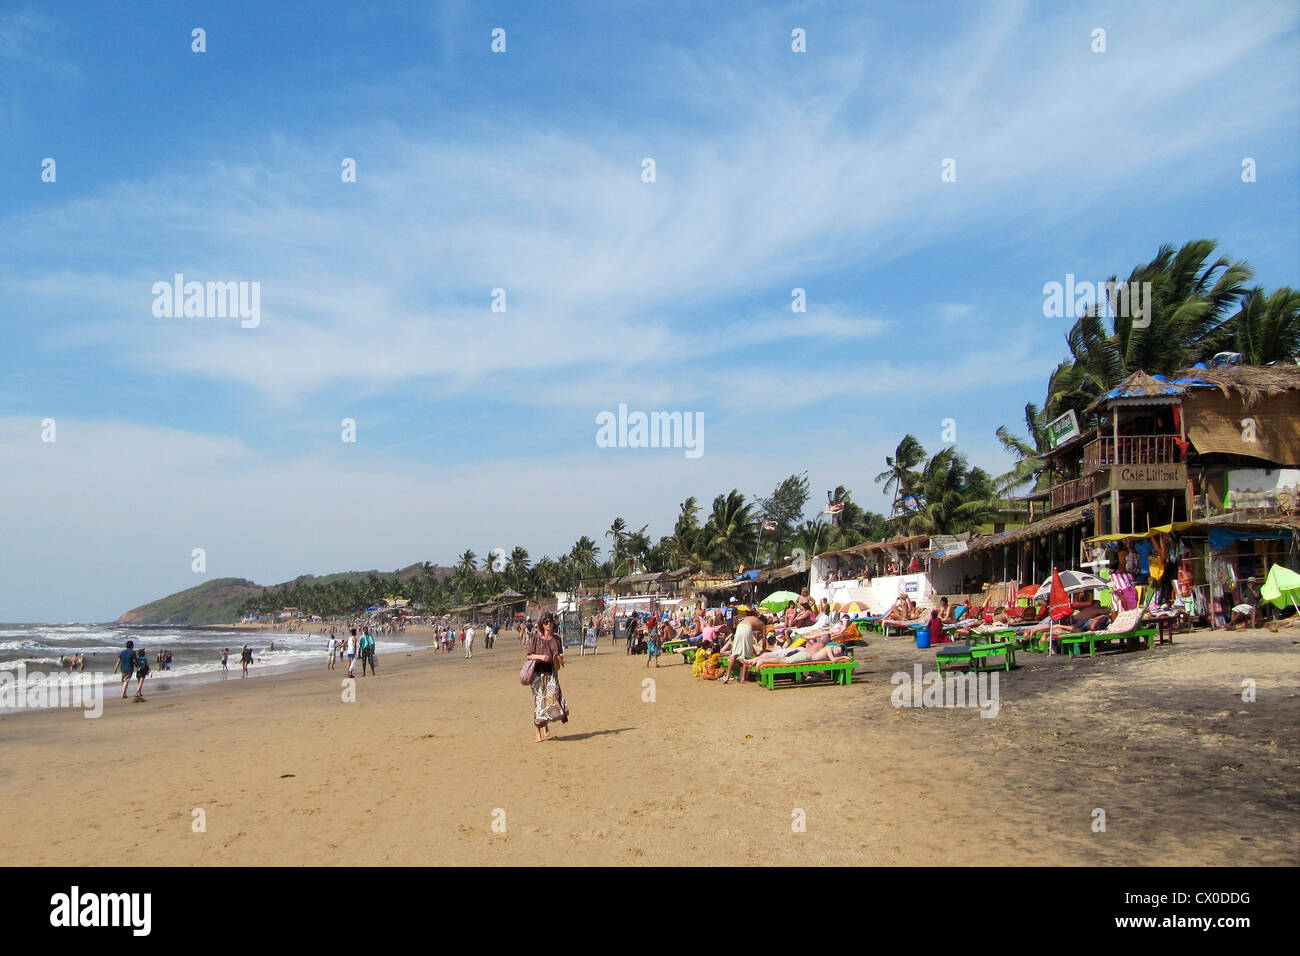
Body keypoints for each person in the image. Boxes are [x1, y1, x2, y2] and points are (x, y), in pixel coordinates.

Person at [525, 613, 569, 742]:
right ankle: (538, 731)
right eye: (546, 622)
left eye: (550, 622)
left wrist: (560, 659)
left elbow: (560, 655)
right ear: (541, 624)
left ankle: (546, 724)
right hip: (538, 674)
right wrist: (541, 657)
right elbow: (529, 655)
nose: (549, 624)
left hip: (551, 674)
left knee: (551, 700)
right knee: (539, 702)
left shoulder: (557, 639)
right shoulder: (536, 638)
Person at [721, 613, 764, 684]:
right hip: (747, 629)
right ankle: (743, 678)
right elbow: (764, 642)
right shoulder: (762, 624)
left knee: (734, 653)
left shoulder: (751, 617)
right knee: (746, 655)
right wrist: (764, 651)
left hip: (739, 627)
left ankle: (727, 677)